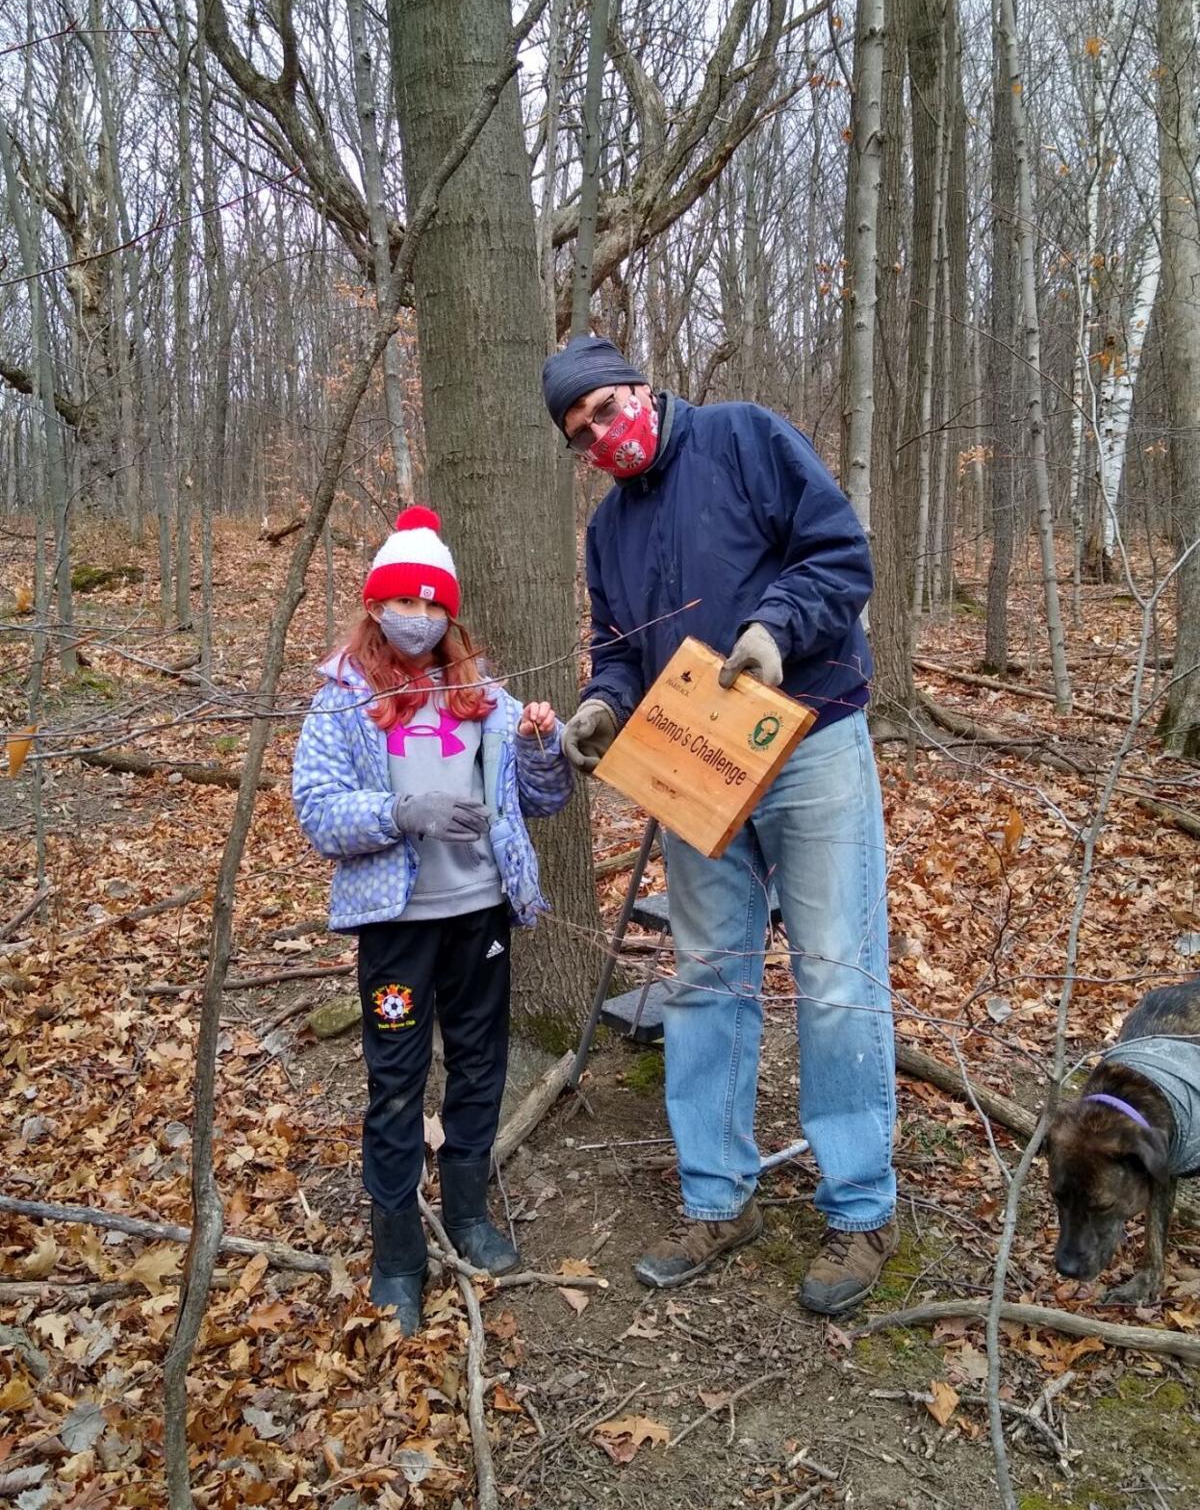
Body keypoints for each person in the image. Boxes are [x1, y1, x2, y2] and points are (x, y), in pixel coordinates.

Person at [542, 338, 897, 1315]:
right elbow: (616, 649)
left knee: (836, 974)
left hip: (812, 735)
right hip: (695, 765)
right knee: (705, 979)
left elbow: (840, 553)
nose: (602, 439)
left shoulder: (745, 437)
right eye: (581, 437)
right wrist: (601, 707)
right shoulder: (609, 530)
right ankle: (716, 1196)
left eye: (606, 411)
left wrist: (776, 627)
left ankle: (862, 1208)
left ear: (641, 388)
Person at [292, 506, 573, 1333]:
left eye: (432, 605)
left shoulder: (484, 697)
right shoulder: (341, 700)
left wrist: (537, 747)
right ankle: (399, 1255)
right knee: (396, 1078)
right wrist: (400, 809)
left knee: (481, 1066)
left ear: (450, 612)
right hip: (397, 927)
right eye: (401, 603)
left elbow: (546, 801)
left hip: (479, 917)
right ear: (375, 605)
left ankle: (470, 1215)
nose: (417, 618)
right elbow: (315, 811)